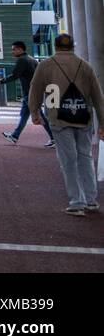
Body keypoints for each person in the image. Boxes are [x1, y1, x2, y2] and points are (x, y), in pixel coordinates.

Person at [26, 33, 104, 216]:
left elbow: (35, 90)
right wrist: (102, 123)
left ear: (56, 46)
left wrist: (34, 112)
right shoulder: (85, 66)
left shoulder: (45, 66)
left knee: (68, 160)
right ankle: (91, 200)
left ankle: (77, 201)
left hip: (58, 118)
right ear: (72, 47)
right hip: (83, 118)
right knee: (85, 157)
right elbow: (98, 98)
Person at [2, 40, 53, 147]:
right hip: (34, 92)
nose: (12, 52)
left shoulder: (22, 60)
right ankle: (15, 136)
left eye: (14, 49)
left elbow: (15, 75)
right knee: (25, 115)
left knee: (39, 115)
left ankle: (54, 138)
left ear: (20, 49)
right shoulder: (32, 59)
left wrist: (2, 81)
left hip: (29, 93)